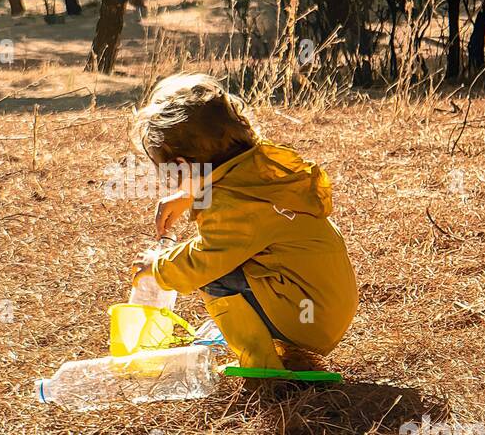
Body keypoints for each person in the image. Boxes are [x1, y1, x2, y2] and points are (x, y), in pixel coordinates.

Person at [129, 73, 358, 371]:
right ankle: (273, 336)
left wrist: (157, 267)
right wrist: (189, 194)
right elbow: (239, 192)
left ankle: (262, 368)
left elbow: (204, 260)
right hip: (324, 305)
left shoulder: (230, 206)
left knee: (214, 276)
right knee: (235, 265)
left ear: (182, 166)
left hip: (307, 320)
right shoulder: (260, 164)